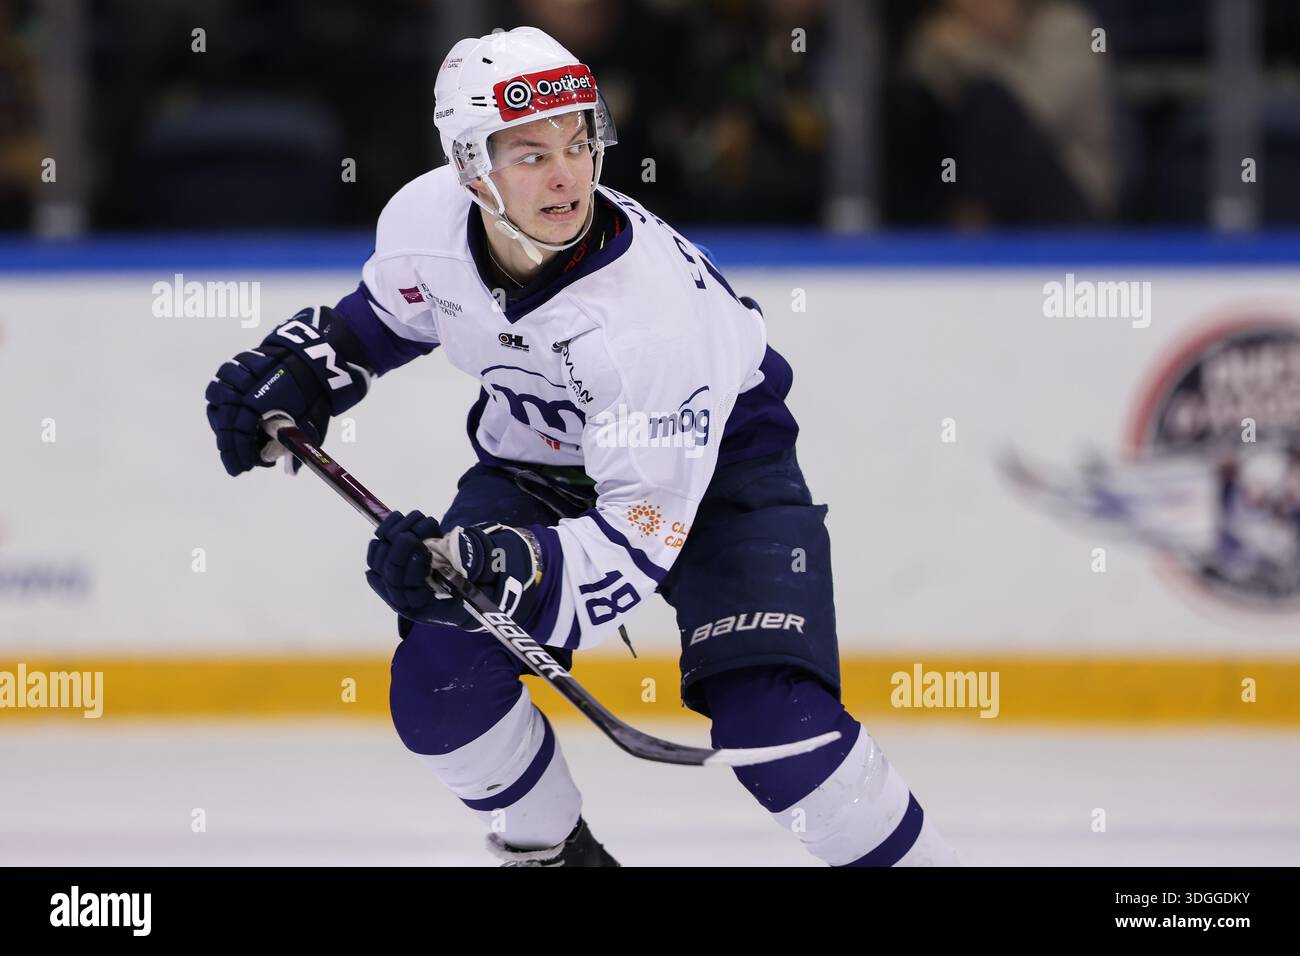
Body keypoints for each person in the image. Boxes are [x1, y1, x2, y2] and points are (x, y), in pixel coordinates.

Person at [204, 26, 958, 867]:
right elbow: (382, 318)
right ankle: (555, 859)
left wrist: (493, 562)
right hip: (534, 462)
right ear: (468, 167)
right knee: (438, 684)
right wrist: (303, 370)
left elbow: (634, 545)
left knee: (777, 725)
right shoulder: (424, 219)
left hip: (717, 471)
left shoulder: (648, 324)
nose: (567, 174)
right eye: (529, 154)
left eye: (578, 140)